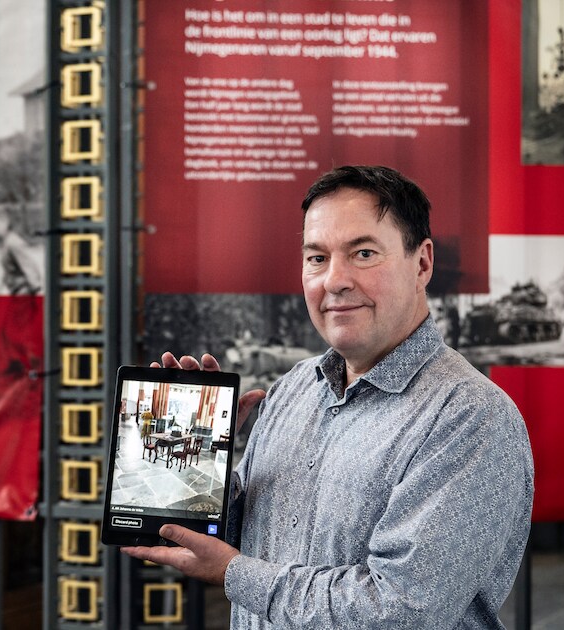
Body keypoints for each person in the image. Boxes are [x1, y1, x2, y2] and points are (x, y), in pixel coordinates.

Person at [123, 165, 534, 629]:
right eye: (316, 258)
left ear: (421, 263)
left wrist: (236, 574)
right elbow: (243, 540)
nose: (333, 280)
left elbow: (399, 612)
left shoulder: (469, 418)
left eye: (362, 253)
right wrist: (192, 465)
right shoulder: (292, 389)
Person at [0, 206, 43, 295]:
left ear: (5, 222)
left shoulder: (13, 242)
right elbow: (10, 271)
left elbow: (30, 268)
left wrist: (36, 294)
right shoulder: (6, 242)